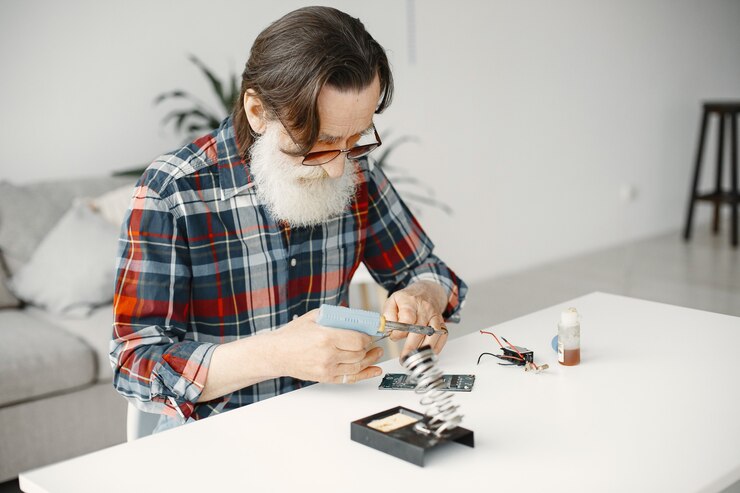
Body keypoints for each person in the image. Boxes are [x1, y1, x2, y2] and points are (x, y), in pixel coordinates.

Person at [110, 6, 467, 431]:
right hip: (219, 436)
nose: (339, 168)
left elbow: (430, 272)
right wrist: (276, 353)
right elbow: (135, 365)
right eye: (320, 144)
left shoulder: (354, 167)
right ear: (258, 111)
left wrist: (423, 295)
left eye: (356, 140)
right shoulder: (172, 194)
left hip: (332, 417)